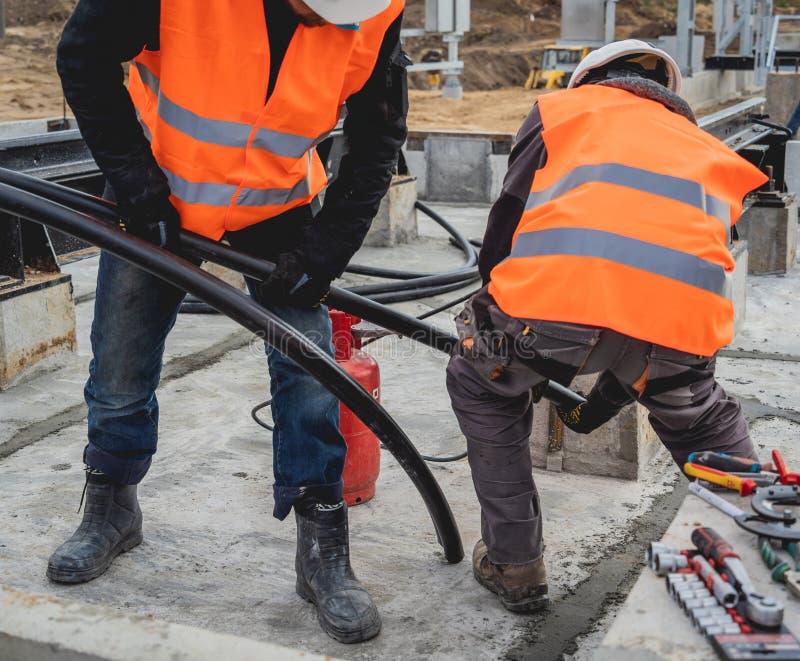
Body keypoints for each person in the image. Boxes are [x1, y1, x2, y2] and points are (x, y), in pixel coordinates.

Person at [49, 0, 408, 644]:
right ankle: (110, 505)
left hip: (278, 206)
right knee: (121, 359)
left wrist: (323, 252)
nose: (327, 29)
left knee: (308, 371)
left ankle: (321, 541)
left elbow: (378, 133)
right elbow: (82, 56)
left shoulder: (374, 13)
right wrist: (138, 187)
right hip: (158, 189)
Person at [446, 40, 768, 614]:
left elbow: (505, 228)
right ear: (667, 94)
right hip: (680, 320)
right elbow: (655, 292)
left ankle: (516, 565)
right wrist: (610, 392)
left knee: (481, 379)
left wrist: (502, 319)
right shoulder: (703, 145)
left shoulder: (561, 113)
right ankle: (766, 548)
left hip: (554, 308)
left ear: (590, 80)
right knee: (700, 417)